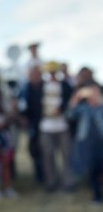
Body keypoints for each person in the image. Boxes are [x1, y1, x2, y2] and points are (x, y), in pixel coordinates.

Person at [36, 63, 74, 192]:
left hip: (62, 126)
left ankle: (68, 182)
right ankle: (51, 182)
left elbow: (71, 101)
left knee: (67, 155)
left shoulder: (64, 85)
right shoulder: (41, 85)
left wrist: (61, 109)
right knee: (48, 156)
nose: (52, 74)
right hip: (46, 126)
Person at [67, 71, 103, 204]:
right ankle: (96, 195)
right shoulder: (82, 108)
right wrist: (75, 99)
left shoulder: (101, 106)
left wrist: (99, 99)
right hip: (88, 142)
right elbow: (70, 114)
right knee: (92, 168)